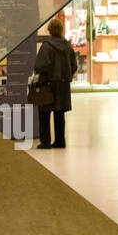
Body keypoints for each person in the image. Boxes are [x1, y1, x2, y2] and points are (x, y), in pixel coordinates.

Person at [33, 17, 78, 150]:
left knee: (44, 113)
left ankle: (45, 142)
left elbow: (40, 65)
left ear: (50, 30)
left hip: (48, 84)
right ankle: (60, 141)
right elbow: (74, 66)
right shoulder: (68, 46)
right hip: (63, 84)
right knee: (59, 113)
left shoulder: (46, 46)